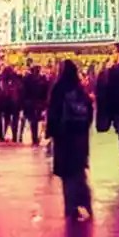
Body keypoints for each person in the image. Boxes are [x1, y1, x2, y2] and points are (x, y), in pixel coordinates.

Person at [47, 60, 94, 220]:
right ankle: (85, 201)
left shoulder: (58, 89)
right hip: (79, 137)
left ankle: (71, 205)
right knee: (79, 171)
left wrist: (51, 132)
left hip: (64, 137)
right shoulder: (80, 90)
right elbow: (89, 111)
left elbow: (53, 112)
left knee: (67, 174)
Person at [20, 64, 49, 145]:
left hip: (34, 102)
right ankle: (35, 137)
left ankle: (35, 137)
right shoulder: (40, 80)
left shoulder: (30, 79)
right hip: (33, 102)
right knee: (34, 120)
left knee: (34, 120)